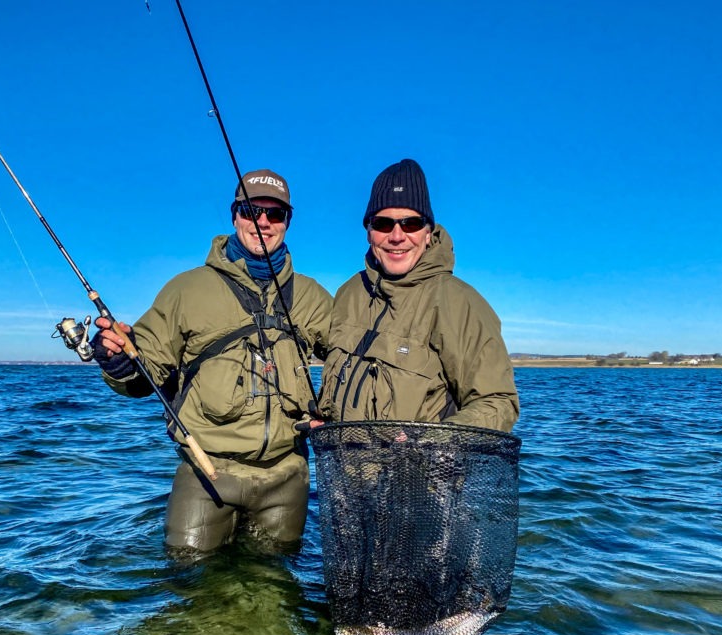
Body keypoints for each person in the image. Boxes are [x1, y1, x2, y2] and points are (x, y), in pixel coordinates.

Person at [92, 169, 332, 554]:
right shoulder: (186, 289)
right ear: (234, 214)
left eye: (275, 215)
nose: (263, 223)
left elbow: (348, 365)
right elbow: (144, 372)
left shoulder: (313, 296)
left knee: (274, 585)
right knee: (188, 578)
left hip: (288, 475)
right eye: (252, 211)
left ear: (288, 221)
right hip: (207, 471)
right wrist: (117, 359)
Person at [317, 158, 519, 431]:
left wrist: (428, 442)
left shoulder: (458, 302)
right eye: (383, 224)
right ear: (368, 232)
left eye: (410, 224)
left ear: (428, 232)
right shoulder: (350, 293)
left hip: (424, 471)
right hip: (348, 471)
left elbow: (497, 403)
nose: (397, 236)